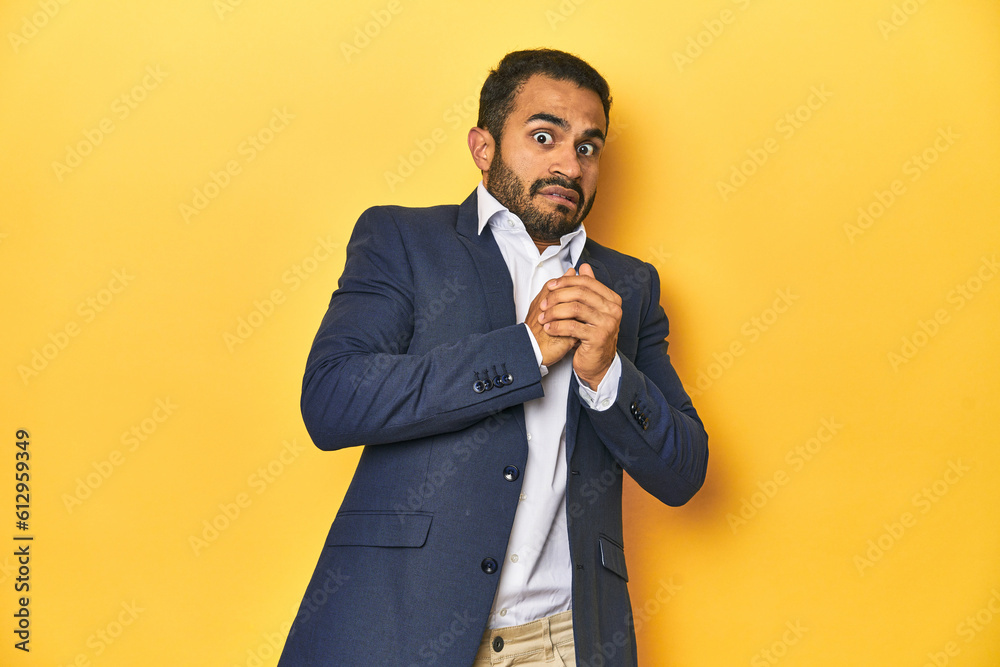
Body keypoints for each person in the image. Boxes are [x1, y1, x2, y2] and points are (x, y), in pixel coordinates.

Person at [277, 48, 708, 667]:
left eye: (588, 147)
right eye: (544, 136)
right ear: (484, 148)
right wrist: (525, 351)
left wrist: (607, 375)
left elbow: (684, 472)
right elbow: (333, 399)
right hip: (399, 629)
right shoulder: (404, 240)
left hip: (562, 641)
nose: (569, 164)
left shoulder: (628, 287)